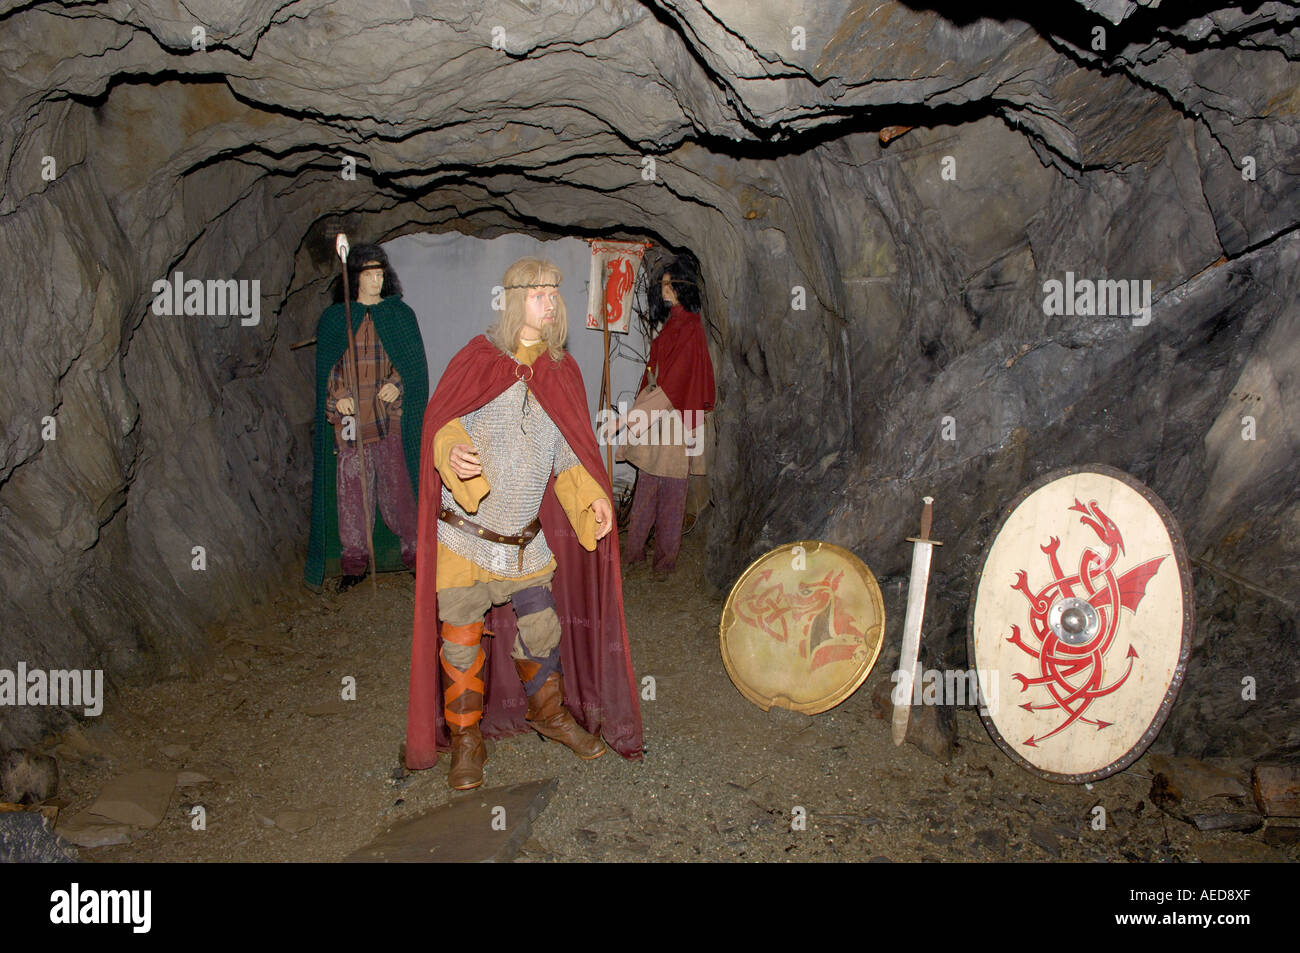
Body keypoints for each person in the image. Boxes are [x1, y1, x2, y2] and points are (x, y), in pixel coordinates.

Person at [405, 257, 643, 790]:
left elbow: (566, 453)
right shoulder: (478, 359)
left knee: (542, 628)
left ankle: (548, 714)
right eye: (537, 290)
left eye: (553, 289)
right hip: (463, 535)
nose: (549, 298)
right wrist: (453, 453)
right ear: (513, 298)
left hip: (523, 543)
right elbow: (445, 423)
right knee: (461, 640)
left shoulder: (562, 370)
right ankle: (466, 739)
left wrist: (592, 500)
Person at [305, 244, 428, 591]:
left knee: (400, 487)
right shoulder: (336, 319)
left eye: (380, 273)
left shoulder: (400, 316)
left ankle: (415, 552)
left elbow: (412, 366)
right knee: (352, 493)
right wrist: (339, 394)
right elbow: (330, 367)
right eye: (368, 274)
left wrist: (396, 383)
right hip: (351, 420)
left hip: (388, 415)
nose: (376, 280)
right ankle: (355, 561)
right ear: (354, 278)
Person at [622, 255, 715, 572]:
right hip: (662, 416)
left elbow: (676, 382)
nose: (664, 290)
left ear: (680, 288)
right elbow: (657, 373)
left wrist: (638, 415)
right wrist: (641, 408)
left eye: (667, 285)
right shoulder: (676, 326)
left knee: (672, 493)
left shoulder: (690, 329)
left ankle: (662, 563)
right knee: (651, 488)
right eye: (662, 285)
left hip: (674, 419)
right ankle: (637, 555)